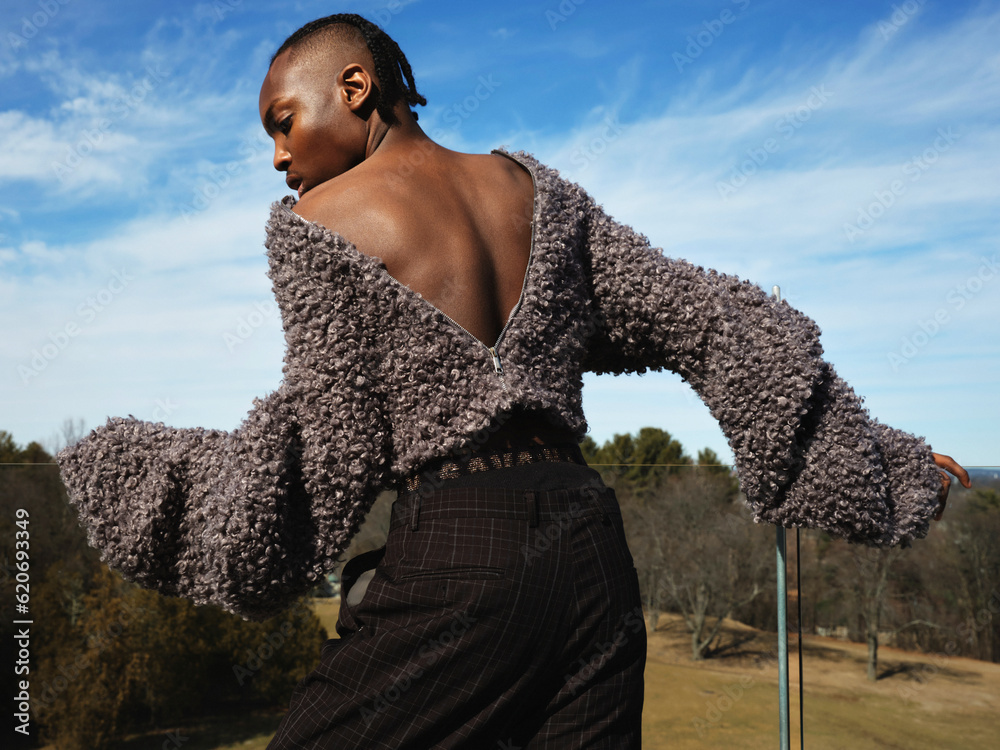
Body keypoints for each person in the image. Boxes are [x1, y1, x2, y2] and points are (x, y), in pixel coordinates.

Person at [57, 12, 971, 749]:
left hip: (461, 549)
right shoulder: (538, 191)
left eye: (282, 123)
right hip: (591, 550)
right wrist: (876, 461)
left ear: (355, 86)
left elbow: (327, 444)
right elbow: (708, 317)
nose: (277, 157)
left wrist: (147, 477)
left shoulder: (319, 222)